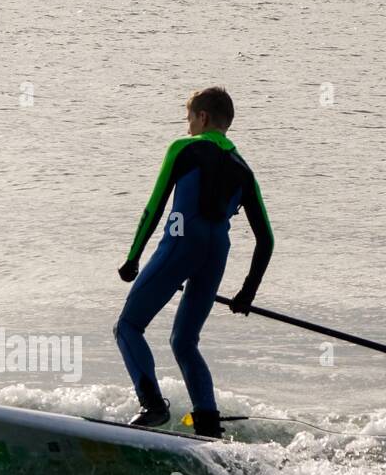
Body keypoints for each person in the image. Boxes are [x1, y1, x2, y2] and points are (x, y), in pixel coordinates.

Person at [114, 86, 275, 439]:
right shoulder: (243, 169)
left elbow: (154, 207)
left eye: (189, 118)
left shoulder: (183, 149)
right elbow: (267, 240)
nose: (187, 126)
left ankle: (153, 406)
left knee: (128, 326)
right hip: (216, 252)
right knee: (184, 341)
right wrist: (246, 292)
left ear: (202, 117)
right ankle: (207, 424)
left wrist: (133, 258)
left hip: (180, 242)